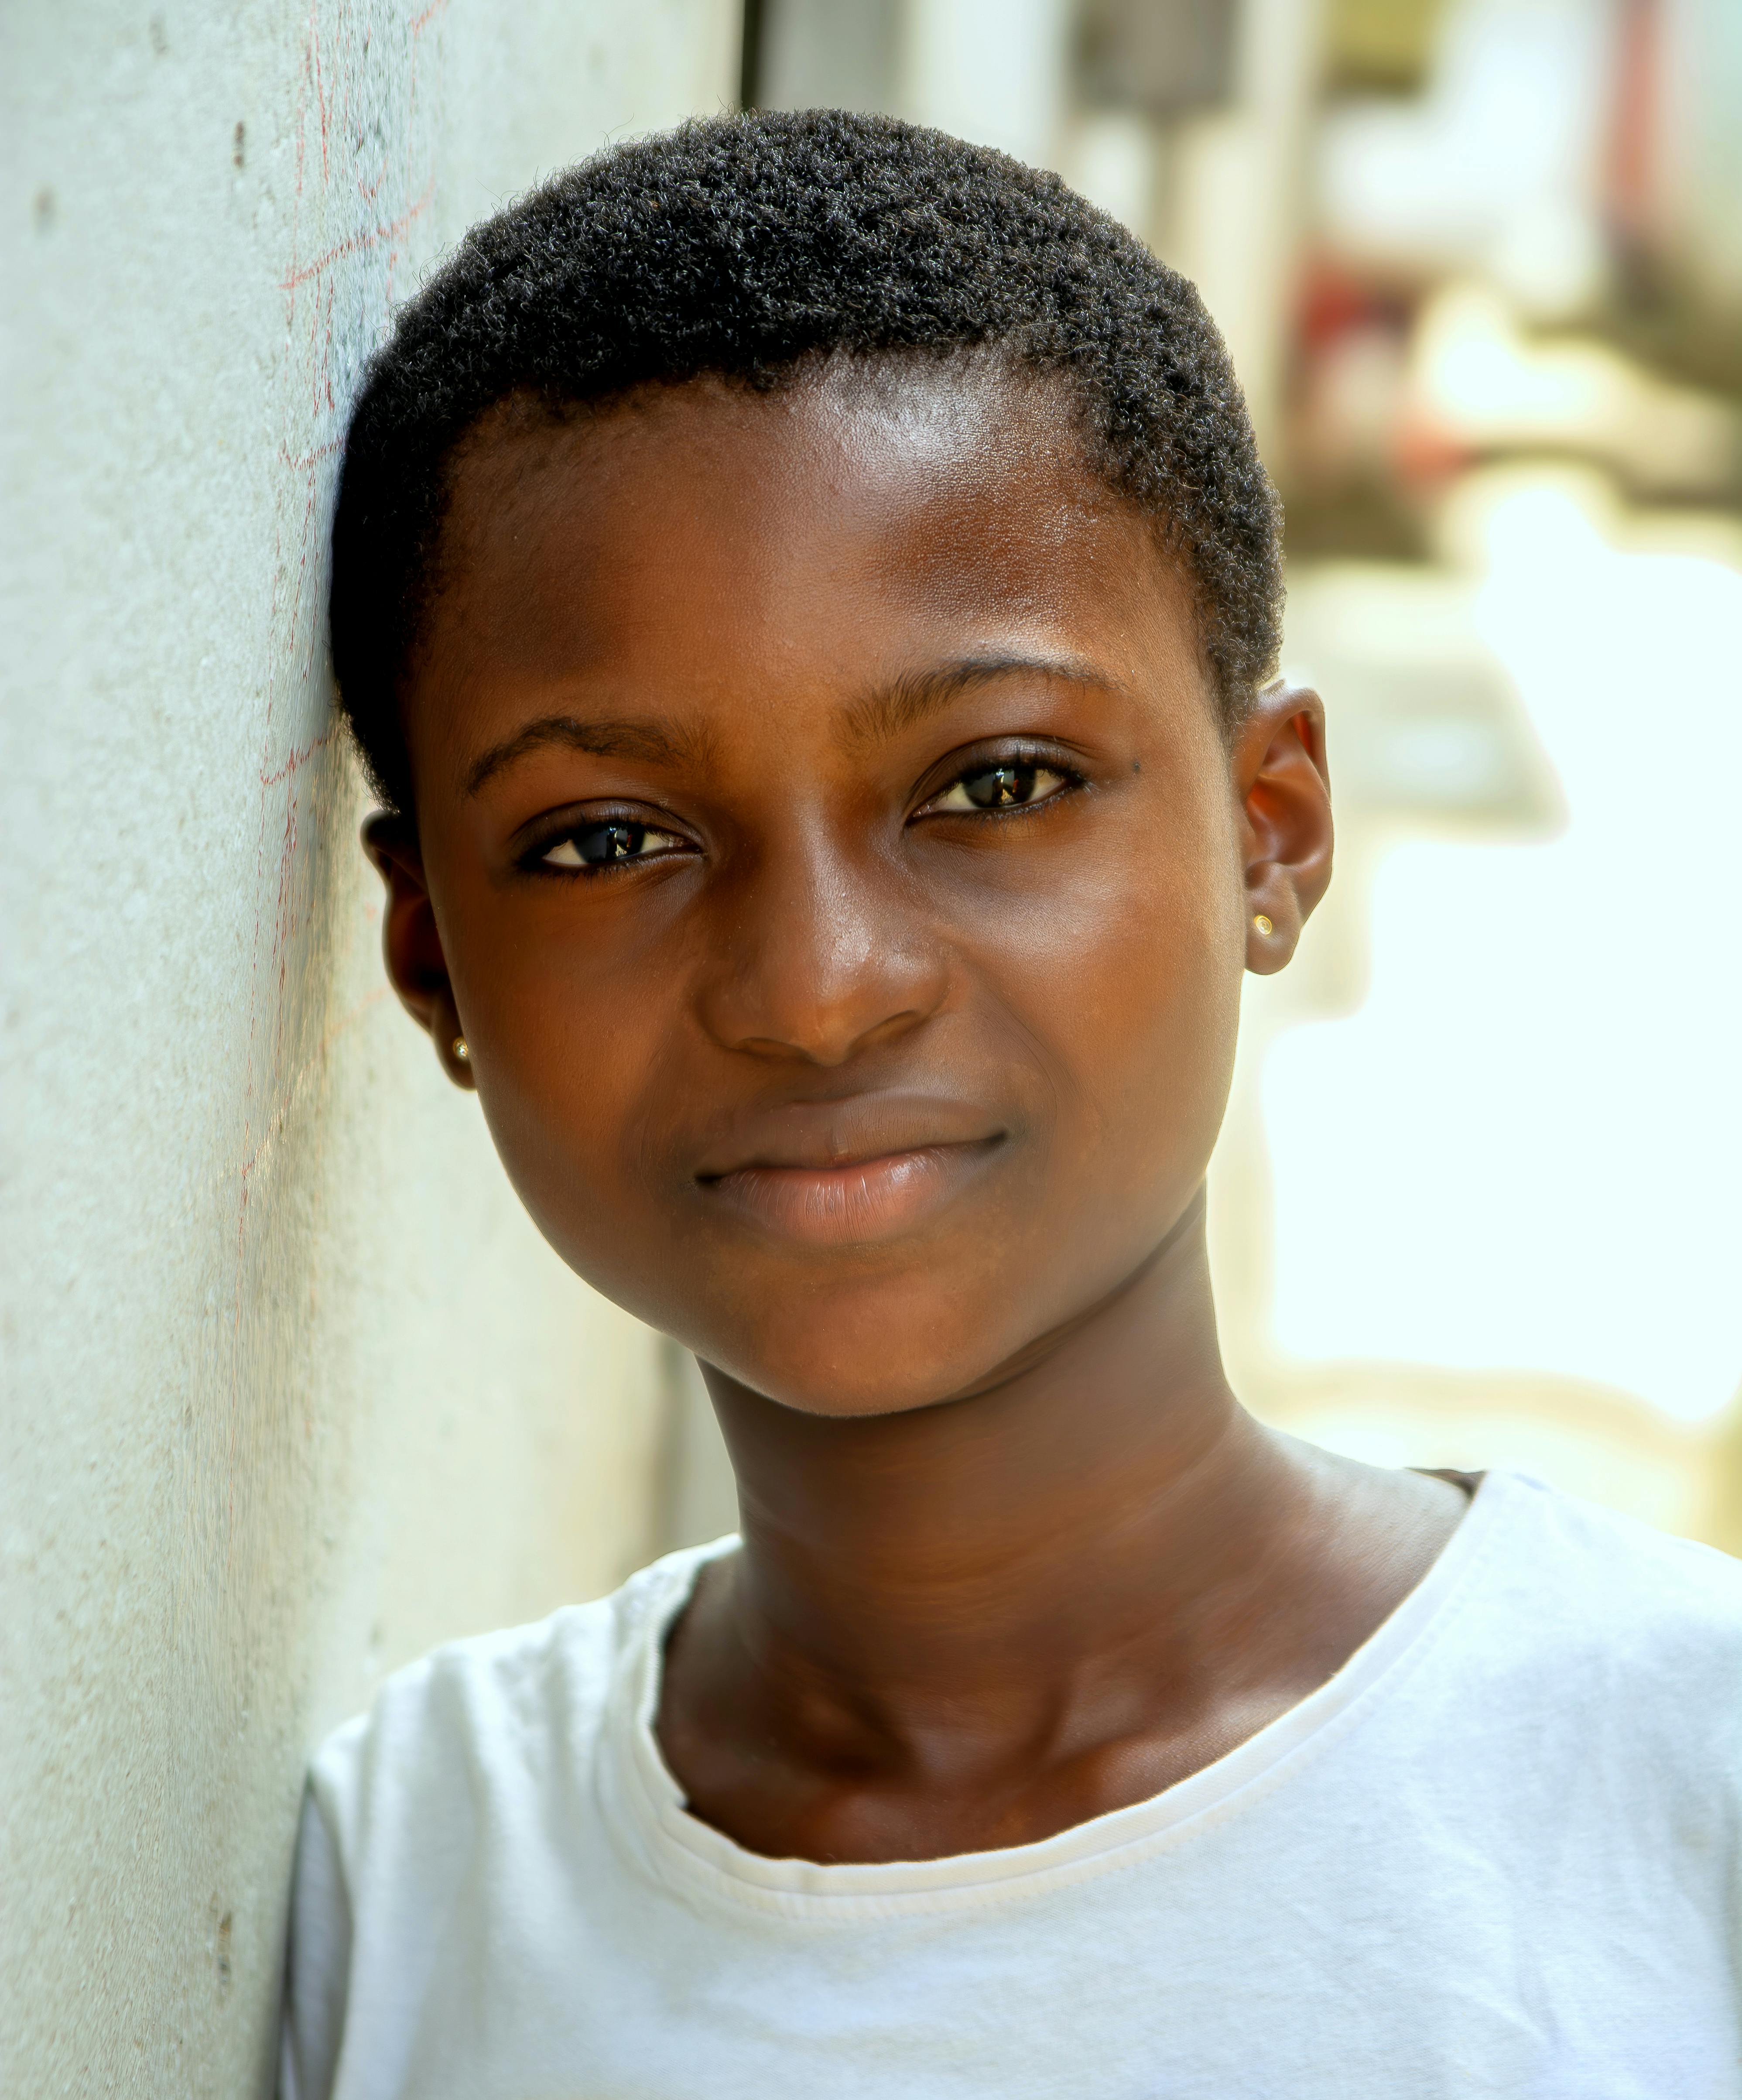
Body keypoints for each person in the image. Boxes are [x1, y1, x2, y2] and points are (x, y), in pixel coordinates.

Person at [281, 110, 1742, 2097]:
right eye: (608, 837)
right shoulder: (420, 1886)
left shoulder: (1684, 1783)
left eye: (998, 783)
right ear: (437, 959)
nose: (815, 986)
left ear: (1272, 829)